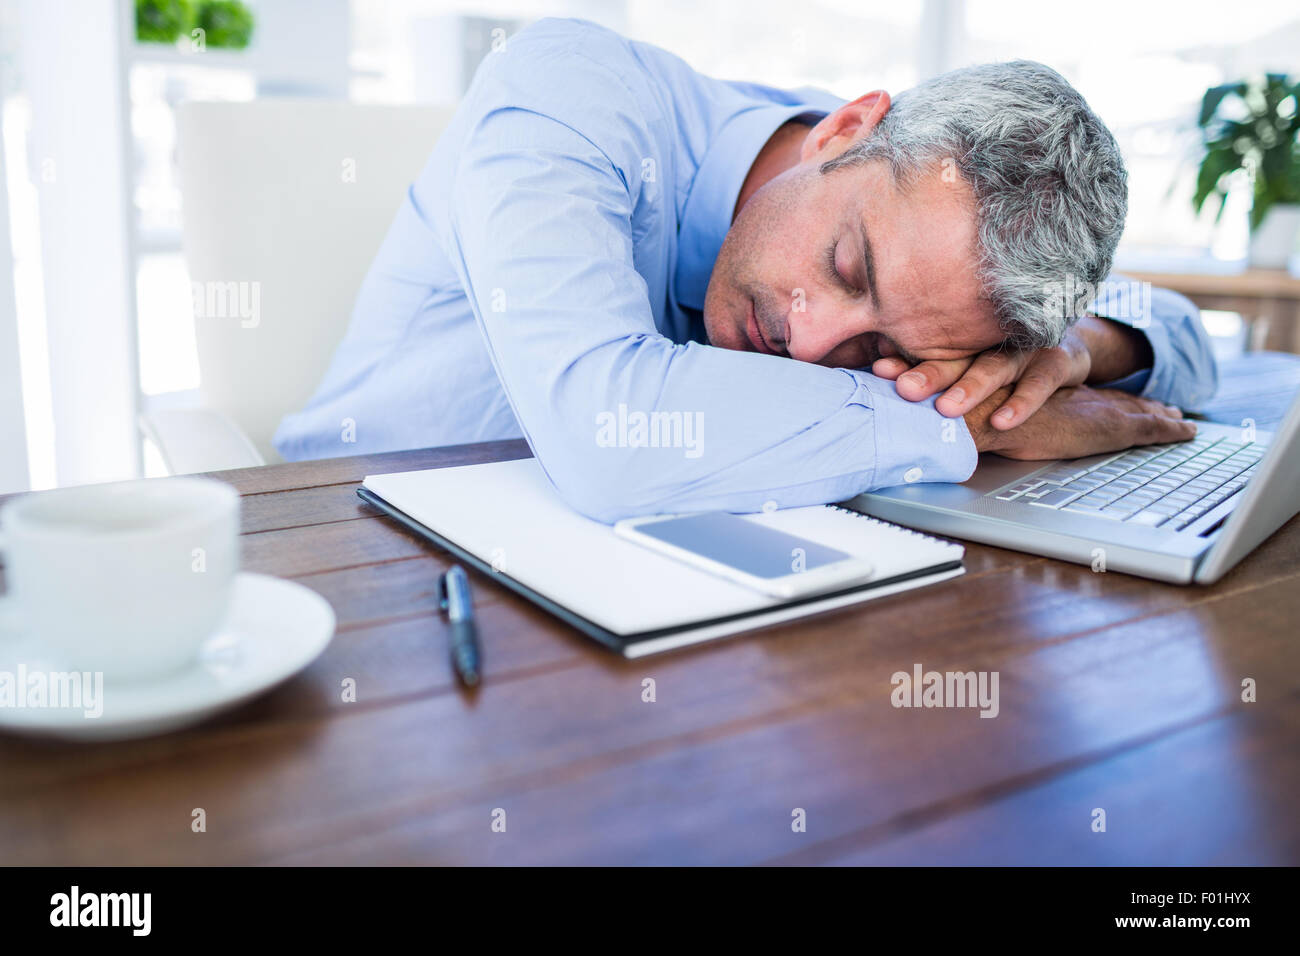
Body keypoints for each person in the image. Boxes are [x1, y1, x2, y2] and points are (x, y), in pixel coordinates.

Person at [274, 17, 1215, 521]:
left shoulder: (936, 230)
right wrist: (969, 429)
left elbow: (1174, 325)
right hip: (346, 535)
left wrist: (1065, 359)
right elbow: (612, 437)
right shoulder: (571, 88)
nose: (811, 341)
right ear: (847, 129)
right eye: (848, 266)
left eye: (881, 348)